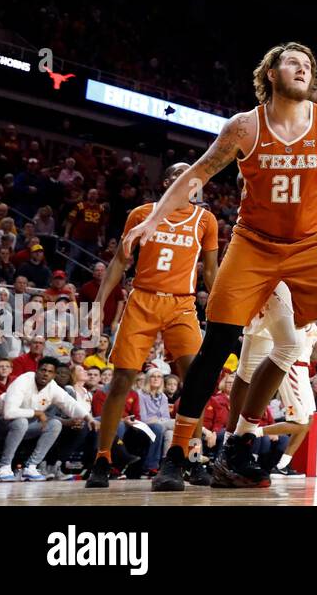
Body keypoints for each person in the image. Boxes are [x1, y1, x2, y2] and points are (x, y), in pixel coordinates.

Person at [122, 42, 317, 491]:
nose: (302, 68)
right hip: (254, 244)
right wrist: (153, 219)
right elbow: (197, 174)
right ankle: (177, 453)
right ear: (271, 73)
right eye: (293, 62)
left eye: (308, 64)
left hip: (312, 245)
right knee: (218, 344)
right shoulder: (244, 126)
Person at [218, 76, 317, 485]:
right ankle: (231, 446)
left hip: (305, 257)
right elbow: (245, 182)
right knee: (257, 358)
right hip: (265, 253)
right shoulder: (273, 133)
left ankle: (232, 449)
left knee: (261, 359)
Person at [86, 163, 218, 489]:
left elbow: (210, 272)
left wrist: (222, 311)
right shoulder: (141, 214)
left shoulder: (206, 220)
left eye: (191, 175)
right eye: (177, 174)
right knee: (122, 379)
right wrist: (98, 303)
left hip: (182, 304)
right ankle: (103, 458)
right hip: (143, 300)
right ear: (166, 181)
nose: (185, 179)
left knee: (196, 381)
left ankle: (191, 456)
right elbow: (120, 261)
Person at [0, 356, 90, 480]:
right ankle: (4, 466)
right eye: (43, 370)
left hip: (24, 426)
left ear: (54, 375)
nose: (46, 374)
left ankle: (31, 467)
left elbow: (70, 404)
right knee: (21, 422)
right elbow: (9, 413)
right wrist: (37, 413)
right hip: (1, 422)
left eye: (50, 372)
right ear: (36, 370)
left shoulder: (53, 387)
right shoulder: (23, 380)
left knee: (55, 424)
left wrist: (89, 418)